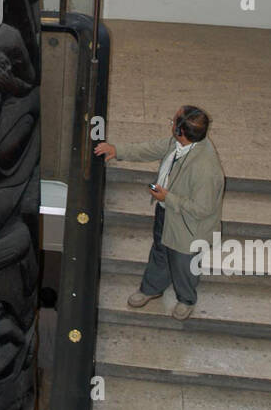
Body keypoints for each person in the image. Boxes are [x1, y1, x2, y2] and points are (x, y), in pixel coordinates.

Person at [95, 106, 225, 321]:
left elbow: (203, 209)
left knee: (183, 264)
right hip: (167, 213)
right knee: (160, 252)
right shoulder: (180, 144)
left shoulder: (205, 169)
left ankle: (186, 299)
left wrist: (167, 198)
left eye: (173, 122)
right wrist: (118, 151)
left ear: (180, 131)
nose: (171, 124)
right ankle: (152, 288)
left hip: (188, 227)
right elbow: (152, 148)